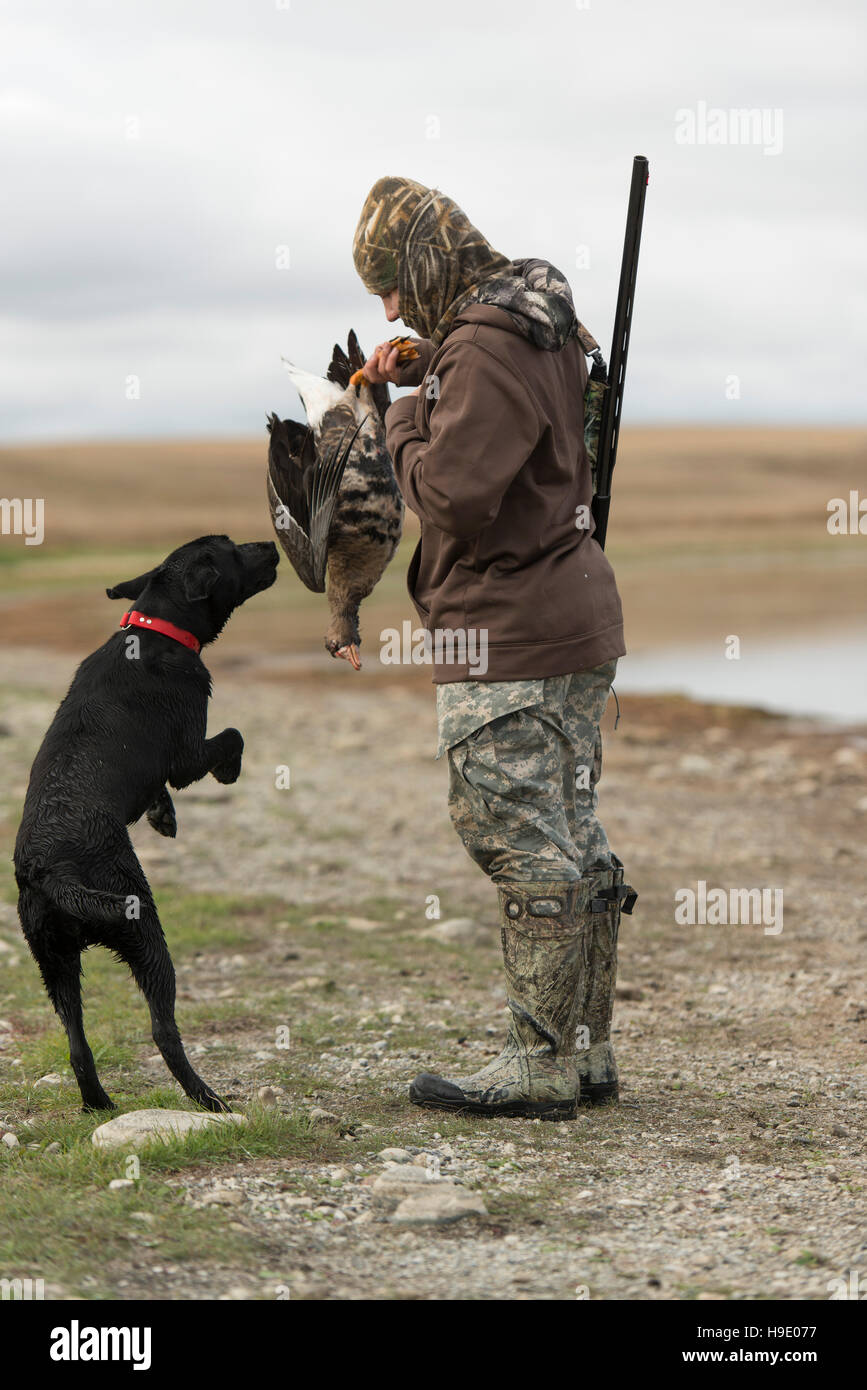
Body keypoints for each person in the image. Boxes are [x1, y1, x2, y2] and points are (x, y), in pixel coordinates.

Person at [352, 176, 636, 1120]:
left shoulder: (480, 345)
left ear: (426, 260)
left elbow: (449, 498)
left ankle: (539, 1067)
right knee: (570, 832)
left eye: (391, 285)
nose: (390, 309)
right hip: (573, 613)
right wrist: (431, 367)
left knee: (516, 838)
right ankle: (584, 1054)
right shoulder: (538, 318)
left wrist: (399, 414)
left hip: (508, 630)